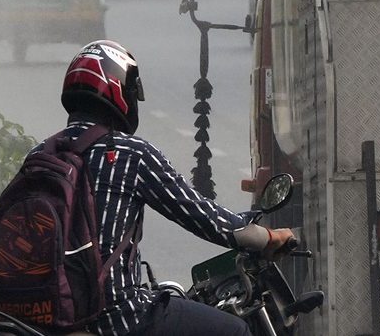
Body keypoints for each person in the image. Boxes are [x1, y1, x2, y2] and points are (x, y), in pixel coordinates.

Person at [53, 39, 293, 336]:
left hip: (42, 318)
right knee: (236, 331)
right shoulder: (130, 154)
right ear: (120, 93)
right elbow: (201, 214)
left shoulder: (41, 155)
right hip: (115, 316)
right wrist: (267, 237)